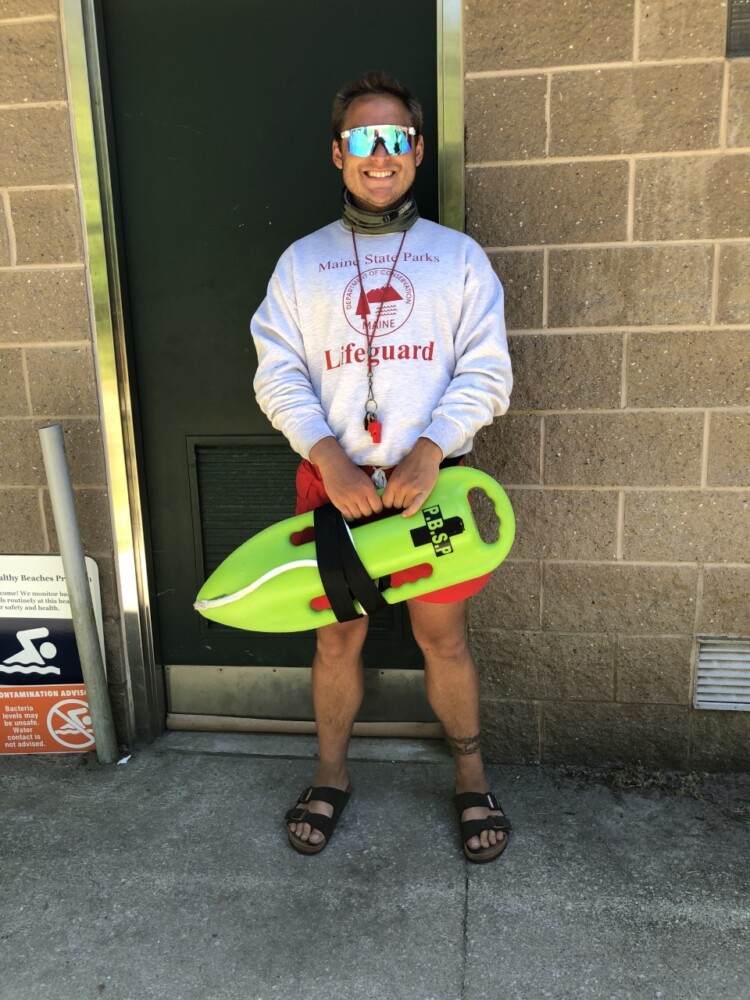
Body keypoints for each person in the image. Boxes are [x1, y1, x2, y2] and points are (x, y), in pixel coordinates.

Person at [250, 71, 513, 864]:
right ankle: (331, 775)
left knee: (446, 641)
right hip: (335, 487)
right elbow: (277, 372)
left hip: (432, 487)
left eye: (394, 138)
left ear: (417, 150)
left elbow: (488, 372)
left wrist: (432, 447)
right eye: (362, 140)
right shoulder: (301, 265)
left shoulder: (458, 258)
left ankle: (472, 780)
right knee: (337, 643)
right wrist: (327, 456)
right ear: (338, 154)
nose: (379, 155)